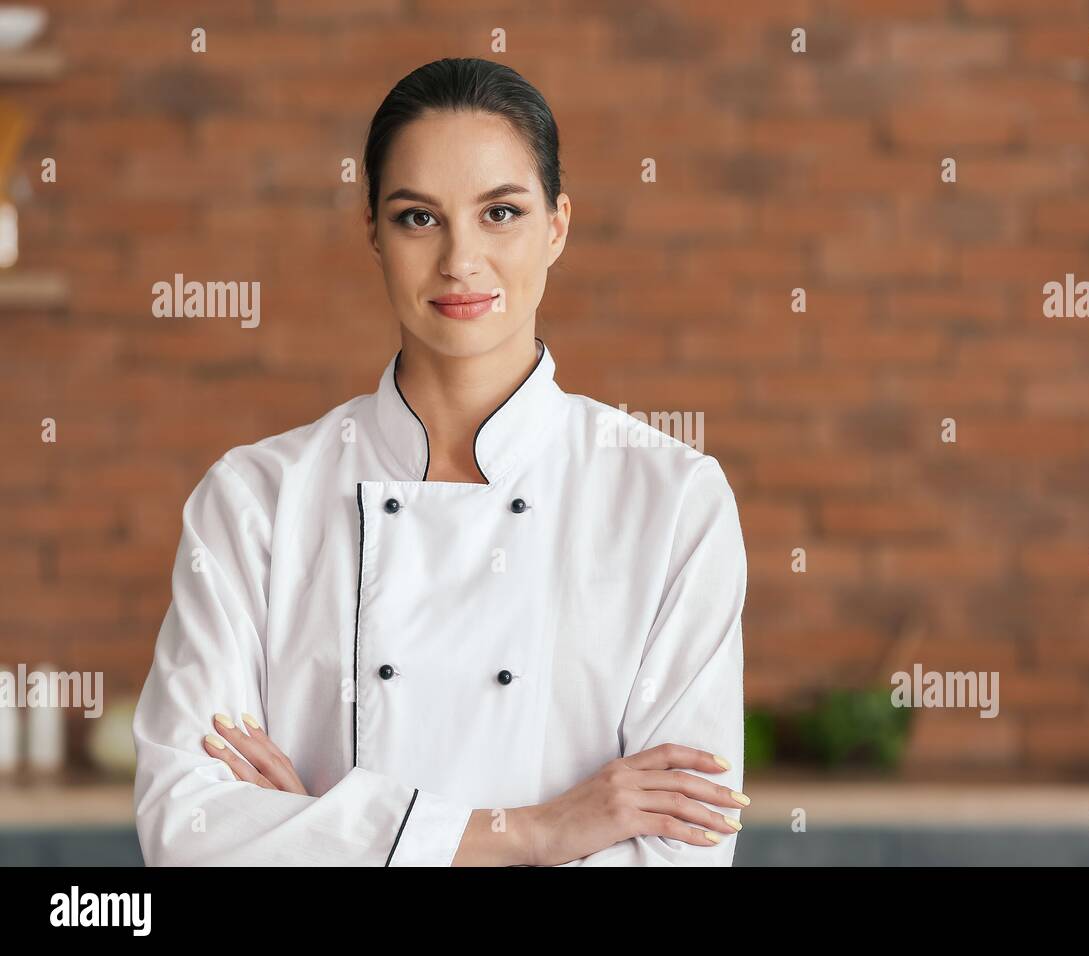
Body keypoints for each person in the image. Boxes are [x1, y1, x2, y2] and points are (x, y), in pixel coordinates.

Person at [131, 57, 749, 866]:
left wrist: (331, 833)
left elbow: (680, 853)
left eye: (501, 212)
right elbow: (189, 828)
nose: (461, 259)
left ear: (558, 226)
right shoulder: (254, 501)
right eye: (419, 218)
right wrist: (534, 833)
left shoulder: (670, 501)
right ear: (373, 234)